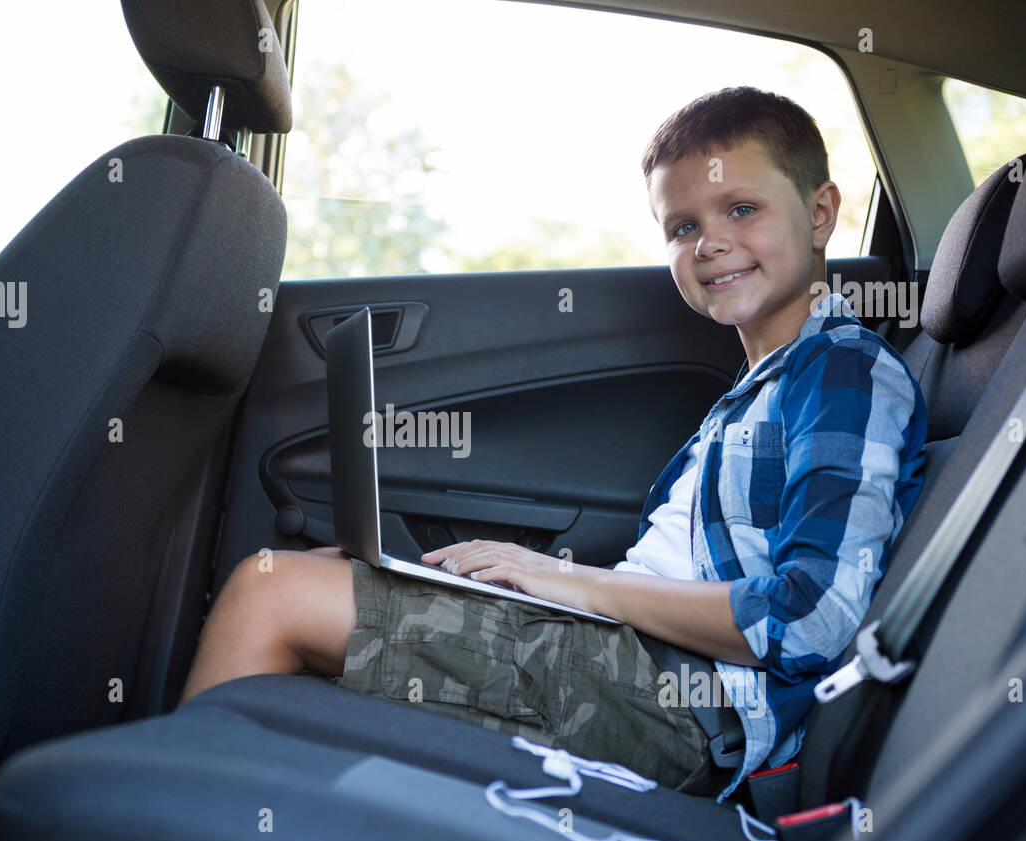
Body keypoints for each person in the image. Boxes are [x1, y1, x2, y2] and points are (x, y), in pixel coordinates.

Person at [178, 86, 928, 802]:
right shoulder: (755, 387)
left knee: (268, 592)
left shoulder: (844, 371)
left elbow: (811, 619)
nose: (710, 244)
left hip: (682, 704)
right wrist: (538, 586)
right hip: (633, 659)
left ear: (822, 212)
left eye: (741, 208)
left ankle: (149, 821)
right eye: (683, 227)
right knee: (308, 571)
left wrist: (572, 583)